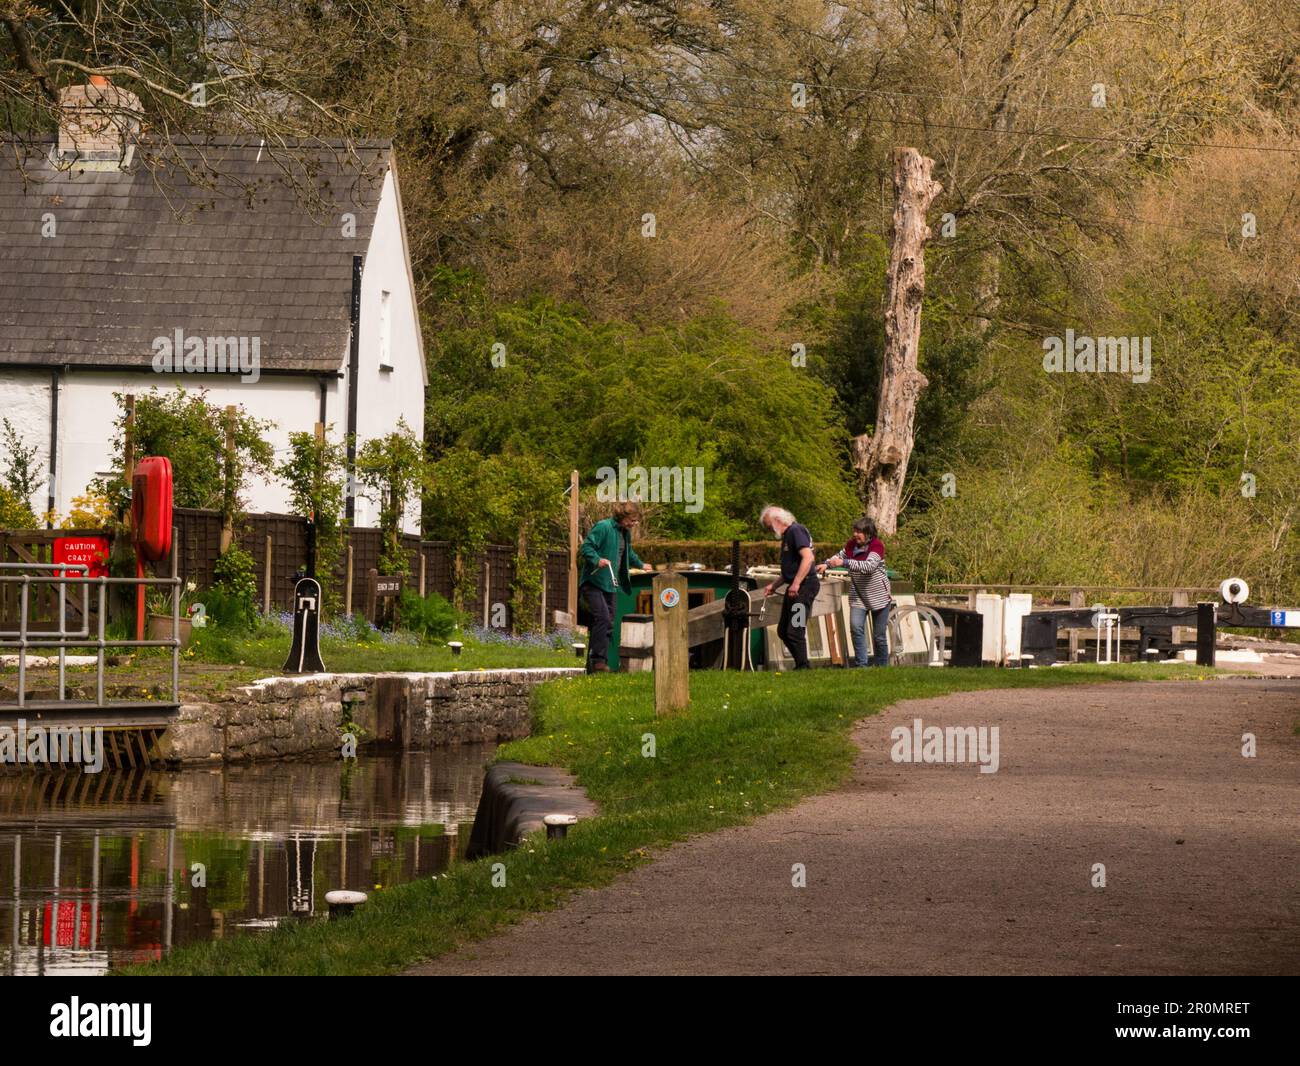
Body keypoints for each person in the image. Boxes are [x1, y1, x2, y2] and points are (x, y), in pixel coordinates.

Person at [577, 501, 652, 673]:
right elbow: (586, 547)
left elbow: (628, 553)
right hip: (593, 583)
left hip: (611, 585)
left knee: (608, 622)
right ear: (622, 516)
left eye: (635, 521)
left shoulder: (624, 533)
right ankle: (598, 662)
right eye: (631, 520)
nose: (633, 524)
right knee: (602, 618)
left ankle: (594, 666)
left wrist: (641, 564)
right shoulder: (603, 527)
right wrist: (597, 559)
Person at [818, 516, 891, 667]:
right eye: (855, 531)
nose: (855, 534)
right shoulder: (851, 545)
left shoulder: (877, 546)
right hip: (858, 594)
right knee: (856, 627)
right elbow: (839, 556)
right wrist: (826, 564)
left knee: (879, 636)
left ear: (868, 533)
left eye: (859, 532)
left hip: (879, 596)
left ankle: (882, 667)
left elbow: (868, 566)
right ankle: (861, 666)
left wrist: (844, 563)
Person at [759, 505, 819, 670]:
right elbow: (790, 569)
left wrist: (797, 583)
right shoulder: (787, 536)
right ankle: (802, 664)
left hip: (804, 587)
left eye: (770, 527)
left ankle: (803, 667)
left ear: (777, 521)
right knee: (784, 631)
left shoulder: (795, 531)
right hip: (796, 586)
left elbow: (808, 558)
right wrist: (774, 585)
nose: (770, 531)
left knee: (795, 630)